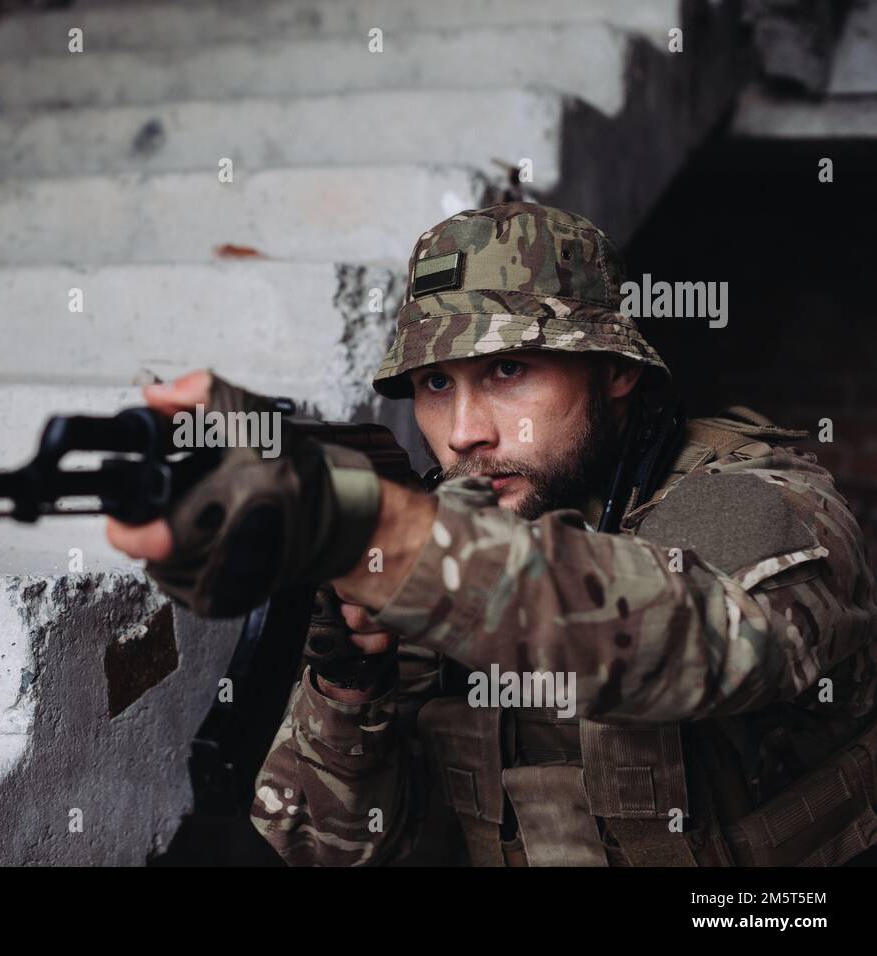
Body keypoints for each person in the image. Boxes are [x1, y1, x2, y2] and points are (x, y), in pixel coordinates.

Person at [107, 201, 877, 866]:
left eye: (508, 370)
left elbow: (707, 641)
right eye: (436, 385)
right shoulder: (440, 532)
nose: (465, 433)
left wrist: (385, 534)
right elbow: (331, 849)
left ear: (615, 370)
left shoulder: (752, 494)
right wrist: (351, 683)